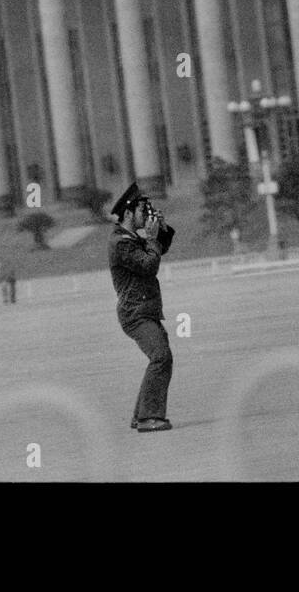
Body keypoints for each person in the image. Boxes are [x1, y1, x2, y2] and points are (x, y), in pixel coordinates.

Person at [108, 183, 176, 432]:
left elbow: (159, 250)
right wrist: (151, 238)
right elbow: (149, 264)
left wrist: (161, 231)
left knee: (161, 358)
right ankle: (149, 418)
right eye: (141, 210)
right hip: (135, 313)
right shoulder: (120, 243)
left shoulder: (131, 238)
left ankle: (141, 415)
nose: (144, 215)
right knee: (160, 357)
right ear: (128, 213)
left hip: (144, 309)